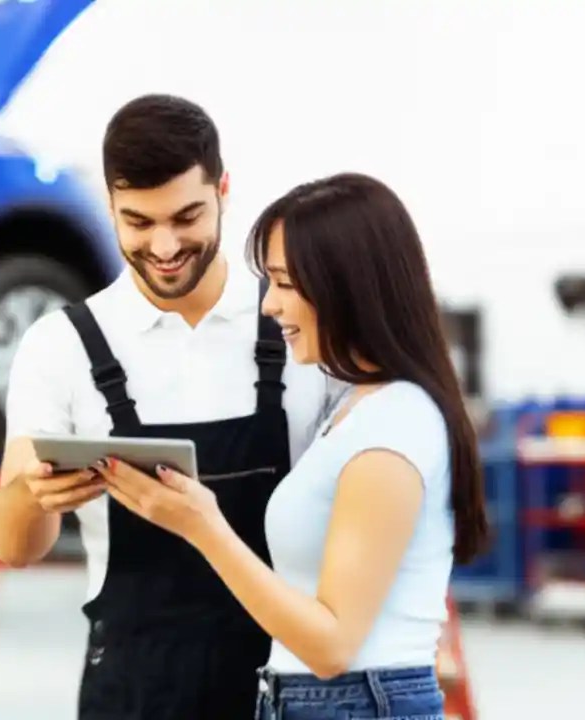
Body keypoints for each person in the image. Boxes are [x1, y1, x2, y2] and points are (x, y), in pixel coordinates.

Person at [0, 93, 338, 719]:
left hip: (285, 686)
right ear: (111, 206)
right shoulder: (59, 346)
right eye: (139, 223)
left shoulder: (294, 323)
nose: (165, 245)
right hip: (135, 688)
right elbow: (16, 546)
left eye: (187, 216)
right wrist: (33, 495)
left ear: (224, 189)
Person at [94, 172, 490, 719]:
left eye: (283, 283)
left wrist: (202, 526)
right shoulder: (356, 407)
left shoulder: (394, 428)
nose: (269, 306)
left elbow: (331, 646)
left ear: (344, 286)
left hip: (351, 703)